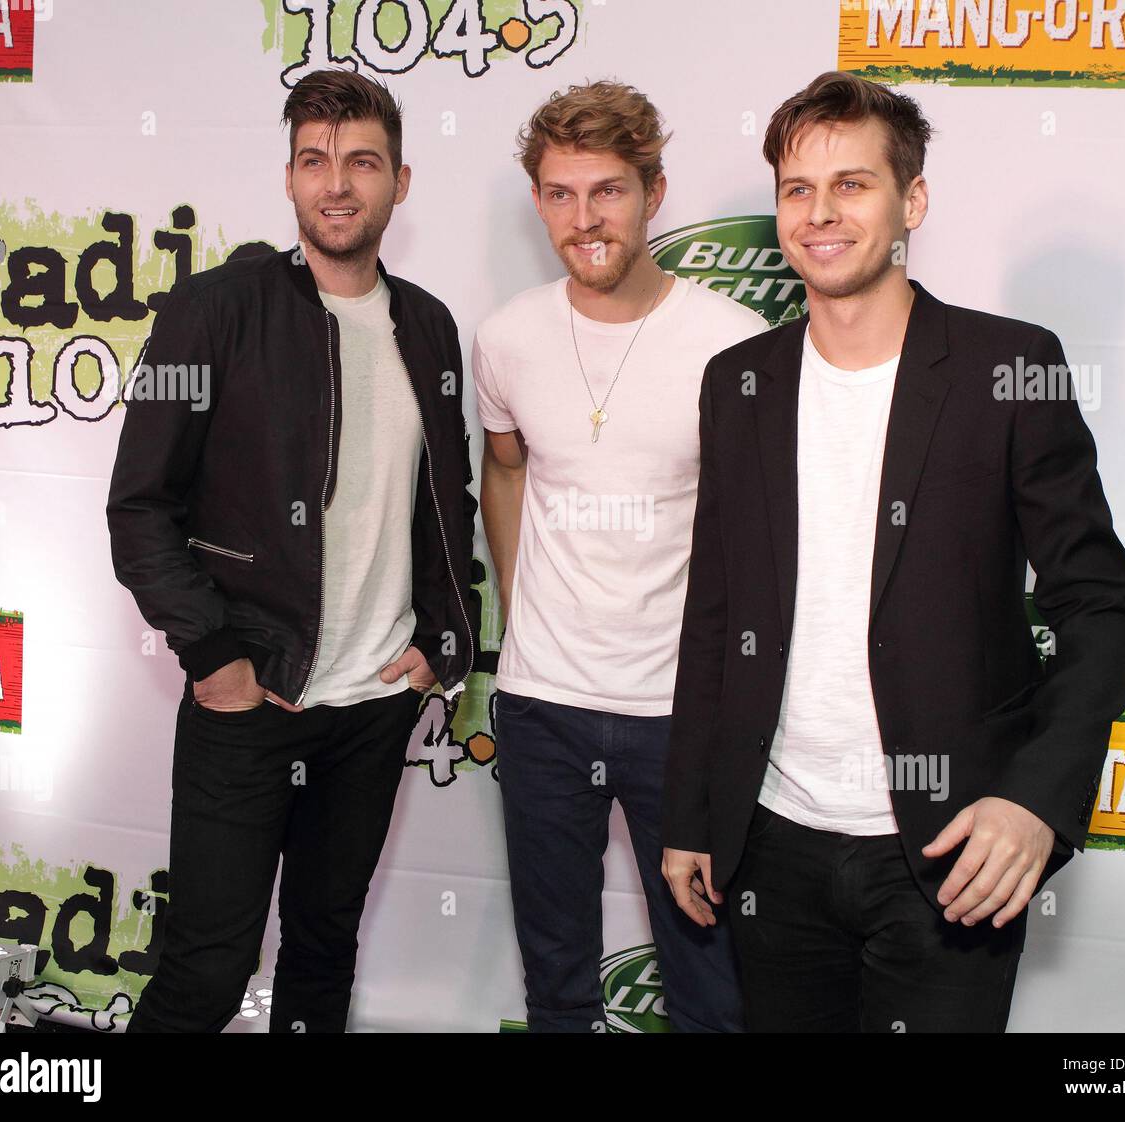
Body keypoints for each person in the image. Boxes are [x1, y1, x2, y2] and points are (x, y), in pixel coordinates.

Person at [660, 71, 1125, 1033]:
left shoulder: (1008, 365)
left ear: (910, 201)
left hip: (950, 846)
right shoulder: (738, 382)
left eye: (852, 184)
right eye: (797, 189)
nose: (820, 213)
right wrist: (688, 814)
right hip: (773, 841)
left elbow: (1096, 602)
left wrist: (1036, 799)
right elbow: (715, 608)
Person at [107, 68, 477, 1033]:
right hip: (253, 697)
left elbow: (447, 502)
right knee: (206, 968)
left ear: (402, 178)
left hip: (372, 711)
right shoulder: (214, 310)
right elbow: (139, 506)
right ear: (288, 180)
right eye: (315, 161)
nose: (337, 183)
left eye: (361, 161)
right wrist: (214, 653)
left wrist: (446, 641)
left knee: (322, 950)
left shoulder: (430, 328)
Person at [475, 81, 768, 1032]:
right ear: (538, 202)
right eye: (560, 194)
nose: (584, 218)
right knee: (556, 980)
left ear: (654, 192)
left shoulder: (732, 343)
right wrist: (527, 628)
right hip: (541, 710)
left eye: (607, 190)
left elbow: (753, 536)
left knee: (707, 986)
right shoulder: (508, 337)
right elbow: (507, 475)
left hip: (678, 714)